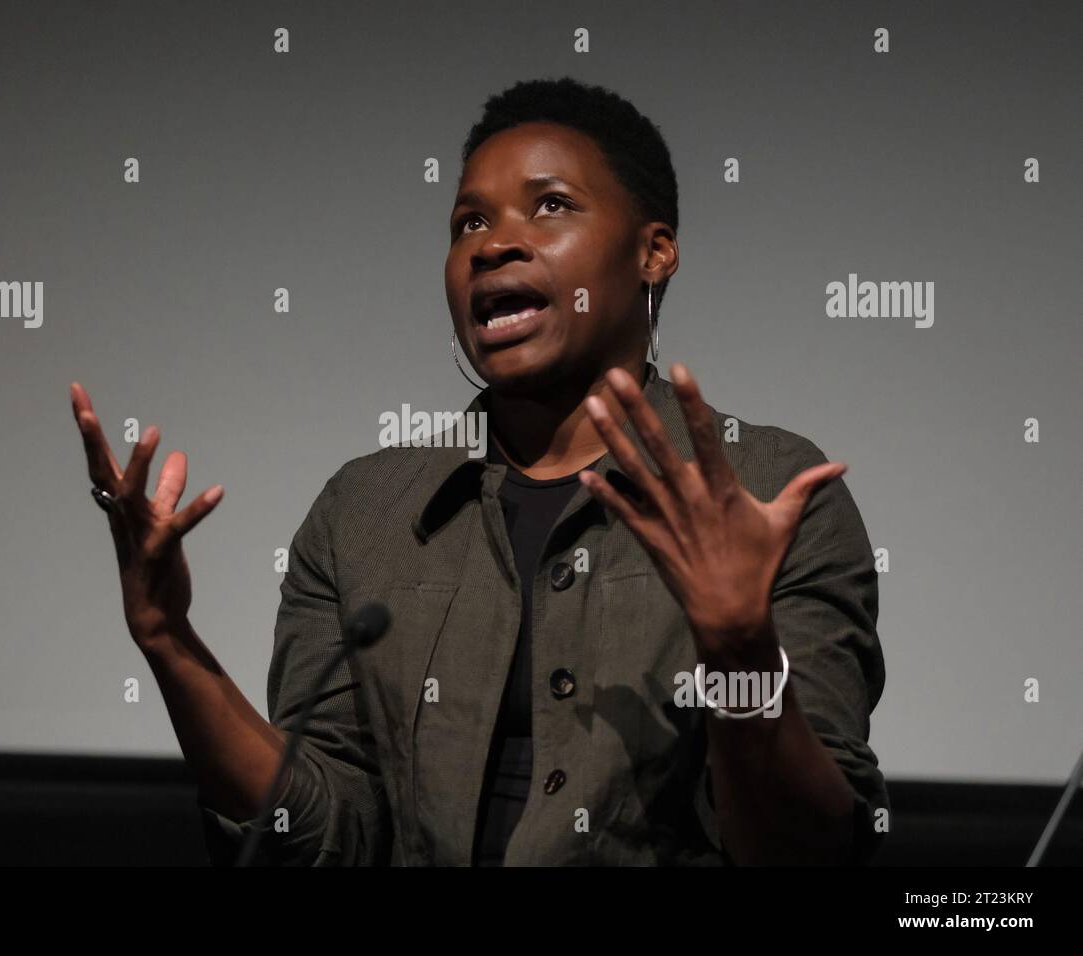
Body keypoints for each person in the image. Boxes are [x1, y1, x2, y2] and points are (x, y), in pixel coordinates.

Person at [69, 76, 887, 866]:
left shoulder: (772, 492)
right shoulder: (365, 516)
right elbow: (318, 835)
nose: (492, 244)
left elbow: (808, 851)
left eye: (551, 205)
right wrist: (169, 642)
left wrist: (740, 647)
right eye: (468, 223)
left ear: (655, 252)